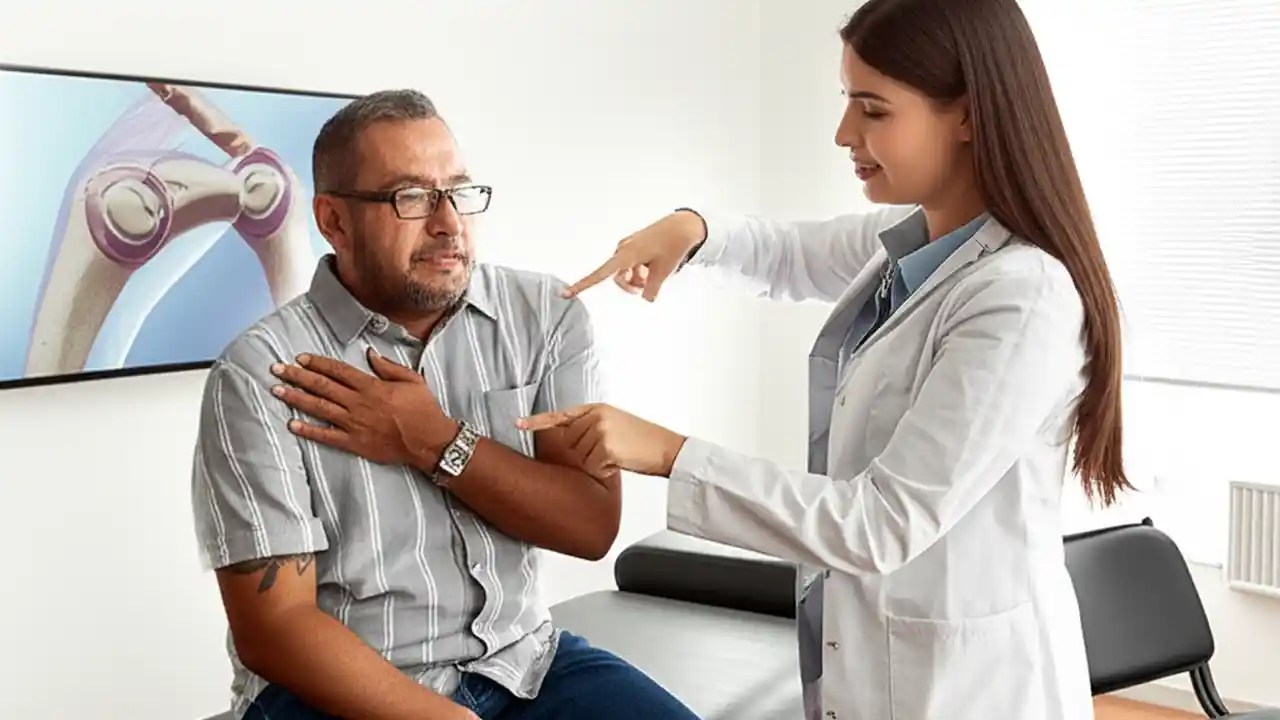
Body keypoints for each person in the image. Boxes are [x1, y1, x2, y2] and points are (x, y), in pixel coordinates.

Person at [518, 1, 1130, 718]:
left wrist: (667, 454)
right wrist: (694, 230)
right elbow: (789, 253)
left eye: (874, 110)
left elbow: (882, 521)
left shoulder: (1022, 297)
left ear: (968, 114)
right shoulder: (919, 242)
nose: (844, 133)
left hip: (974, 691)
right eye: (847, 101)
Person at [190, 89, 699, 720]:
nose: (449, 223)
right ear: (333, 221)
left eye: (458, 191)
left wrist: (435, 441)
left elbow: (590, 526)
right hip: (343, 694)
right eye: (410, 197)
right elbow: (275, 628)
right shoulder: (261, 372)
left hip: (525, 663)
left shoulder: (544, 317)